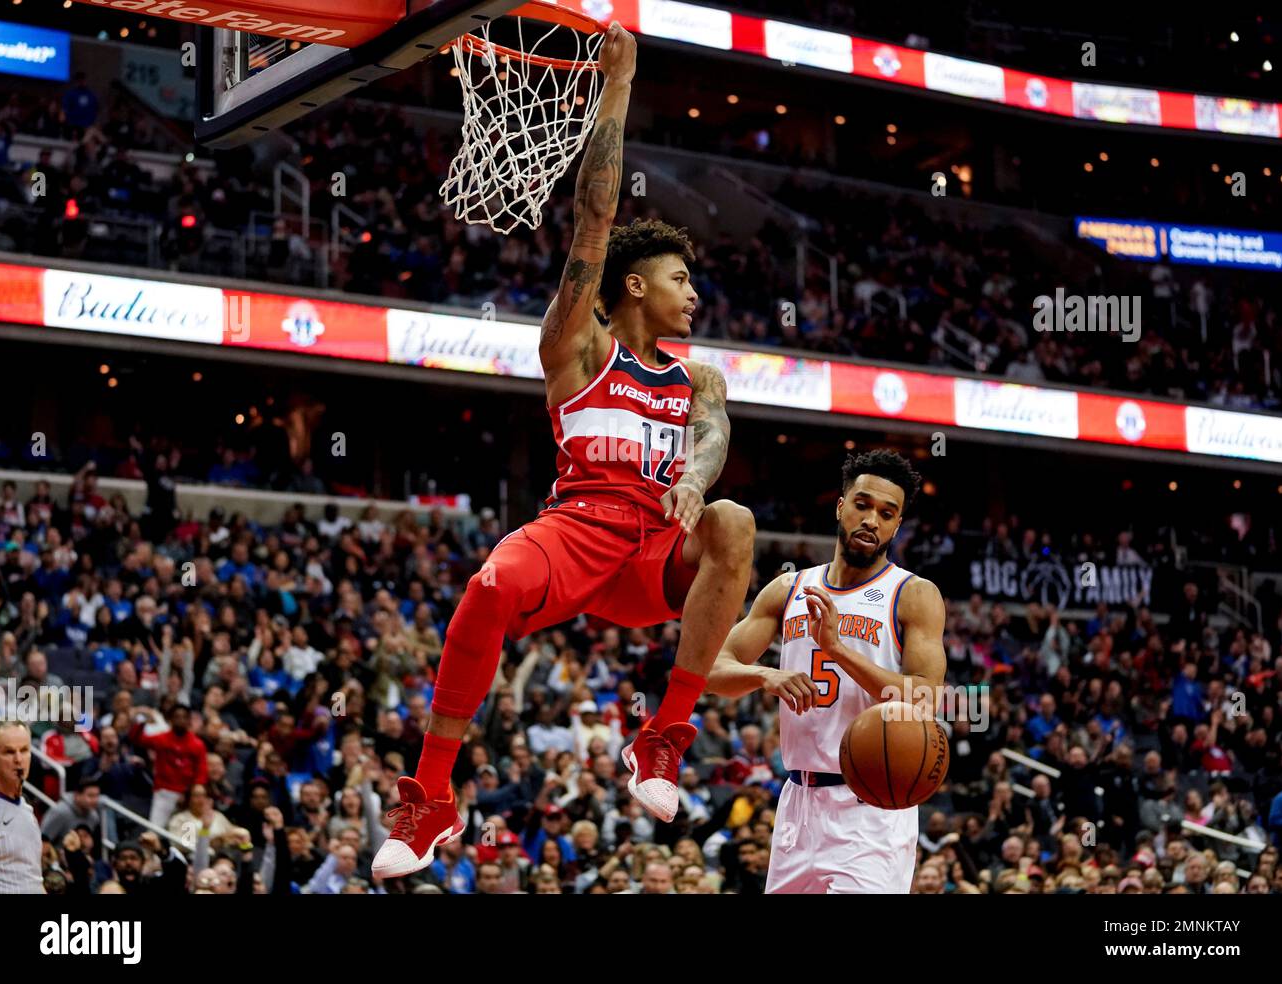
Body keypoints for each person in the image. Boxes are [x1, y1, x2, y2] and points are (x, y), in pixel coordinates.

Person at [373, 23, 756, 878]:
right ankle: (433, 794)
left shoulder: (699, 380)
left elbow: (714, 439)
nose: (692, 294)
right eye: (678, 280)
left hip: (657, 544)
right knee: (491, 584)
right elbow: (595, 211)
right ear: (632, 286)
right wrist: (616, 86)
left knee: (733, 520)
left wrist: (694, 480)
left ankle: (664, 736)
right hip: (579, 525)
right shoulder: (578, 346)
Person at [707, 450, 947, 893]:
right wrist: (767, 677)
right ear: (840, 506)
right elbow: (713, 669)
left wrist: (837, 649)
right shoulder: (788, 587)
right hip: (798, 801)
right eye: (862, 504)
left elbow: (926, 698)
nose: (872, 520)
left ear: (896, 526)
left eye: (887, 513)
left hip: (872, 807)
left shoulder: (913, 595)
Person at [0, 720, 43, 893]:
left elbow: (32, 876)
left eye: (24, 750)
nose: (18, 759)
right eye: (9, 752)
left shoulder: (26, 809)